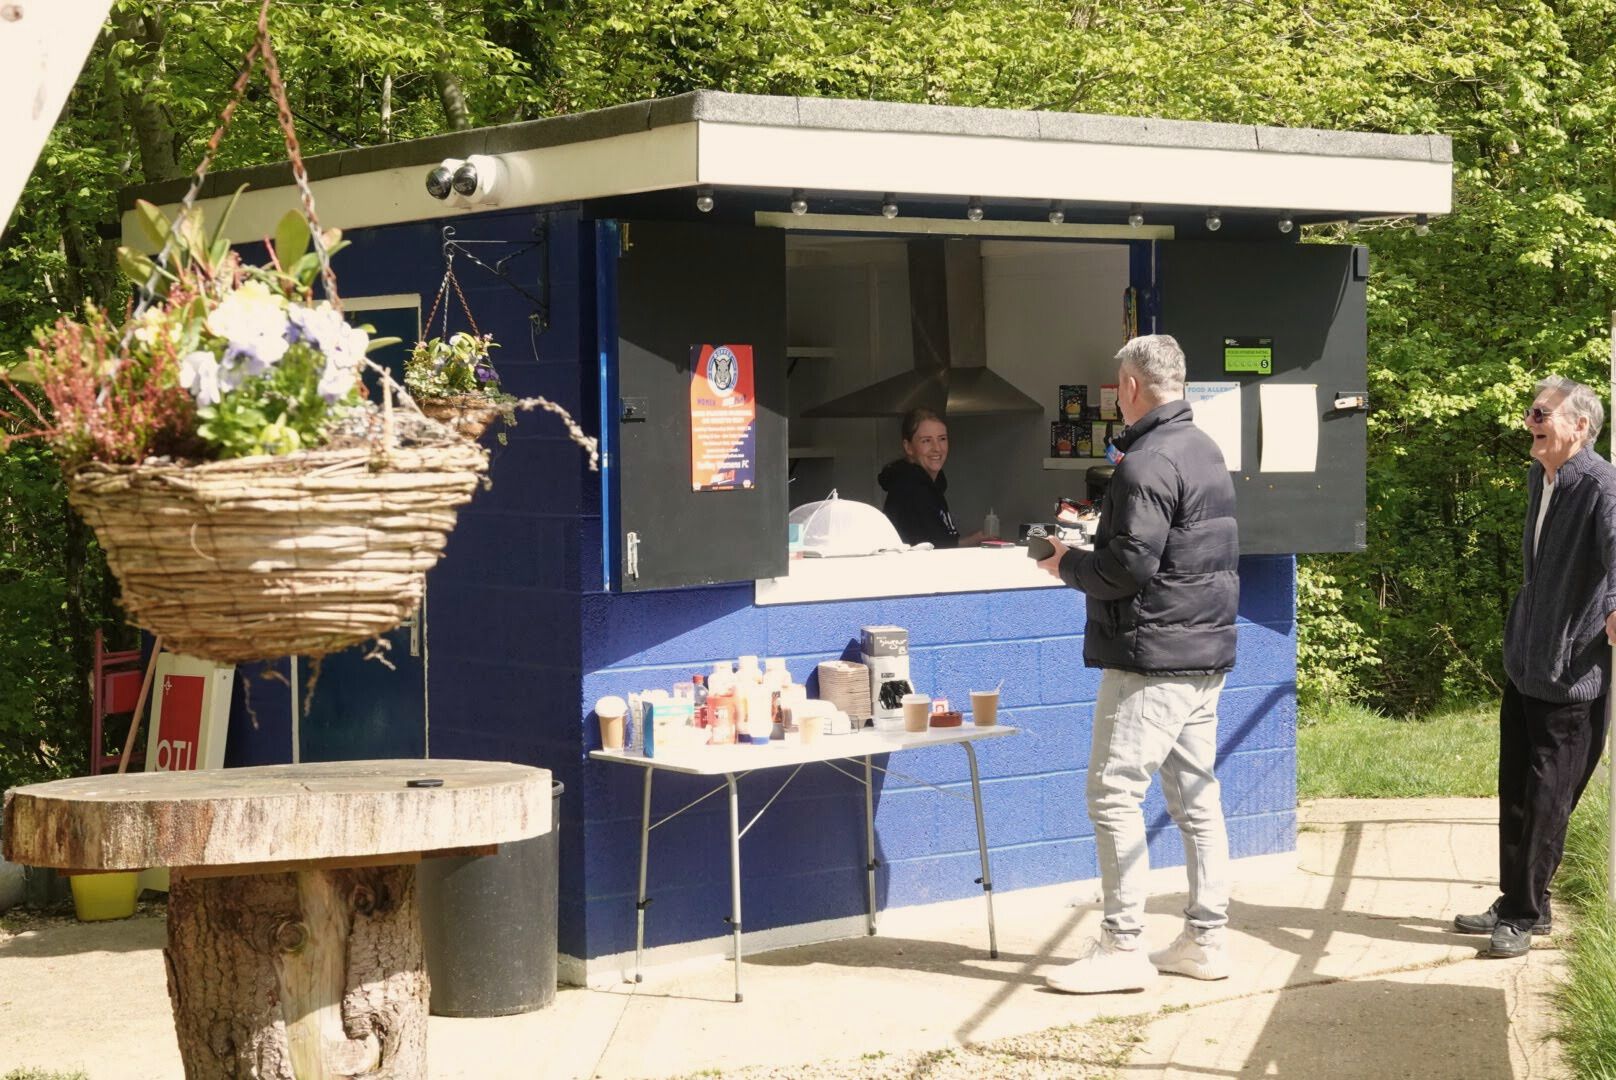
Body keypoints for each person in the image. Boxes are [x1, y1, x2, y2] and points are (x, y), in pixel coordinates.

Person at [1034, 334, 1240, 993]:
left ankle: (1123, 945)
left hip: (1151, 656)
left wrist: (1062, 561)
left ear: (1129, 386)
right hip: (1203, 653)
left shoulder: (1144, 460)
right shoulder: (1203, 449)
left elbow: (1129, 568)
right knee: (1195, 798)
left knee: (1114, 793)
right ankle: (1206, 940)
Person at [1453, 376, 1616, 959]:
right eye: (1529, 411)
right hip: (1526, 661)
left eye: (1542, 412)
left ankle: (1524, 915)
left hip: (1571, 671)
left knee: (1549, 795)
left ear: (1579, 426)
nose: (1531, 420)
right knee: (1517, 789)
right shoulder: (1540, 477)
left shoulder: (1600, 483)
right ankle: (1520, 901)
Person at [878, 408, 981, 548]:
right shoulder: (910, 488)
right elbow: (936, 549)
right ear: (908, 447)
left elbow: (939, 544)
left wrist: (975, 540)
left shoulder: (931, 486)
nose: (937, 448)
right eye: (926, 441)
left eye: (942, 439)